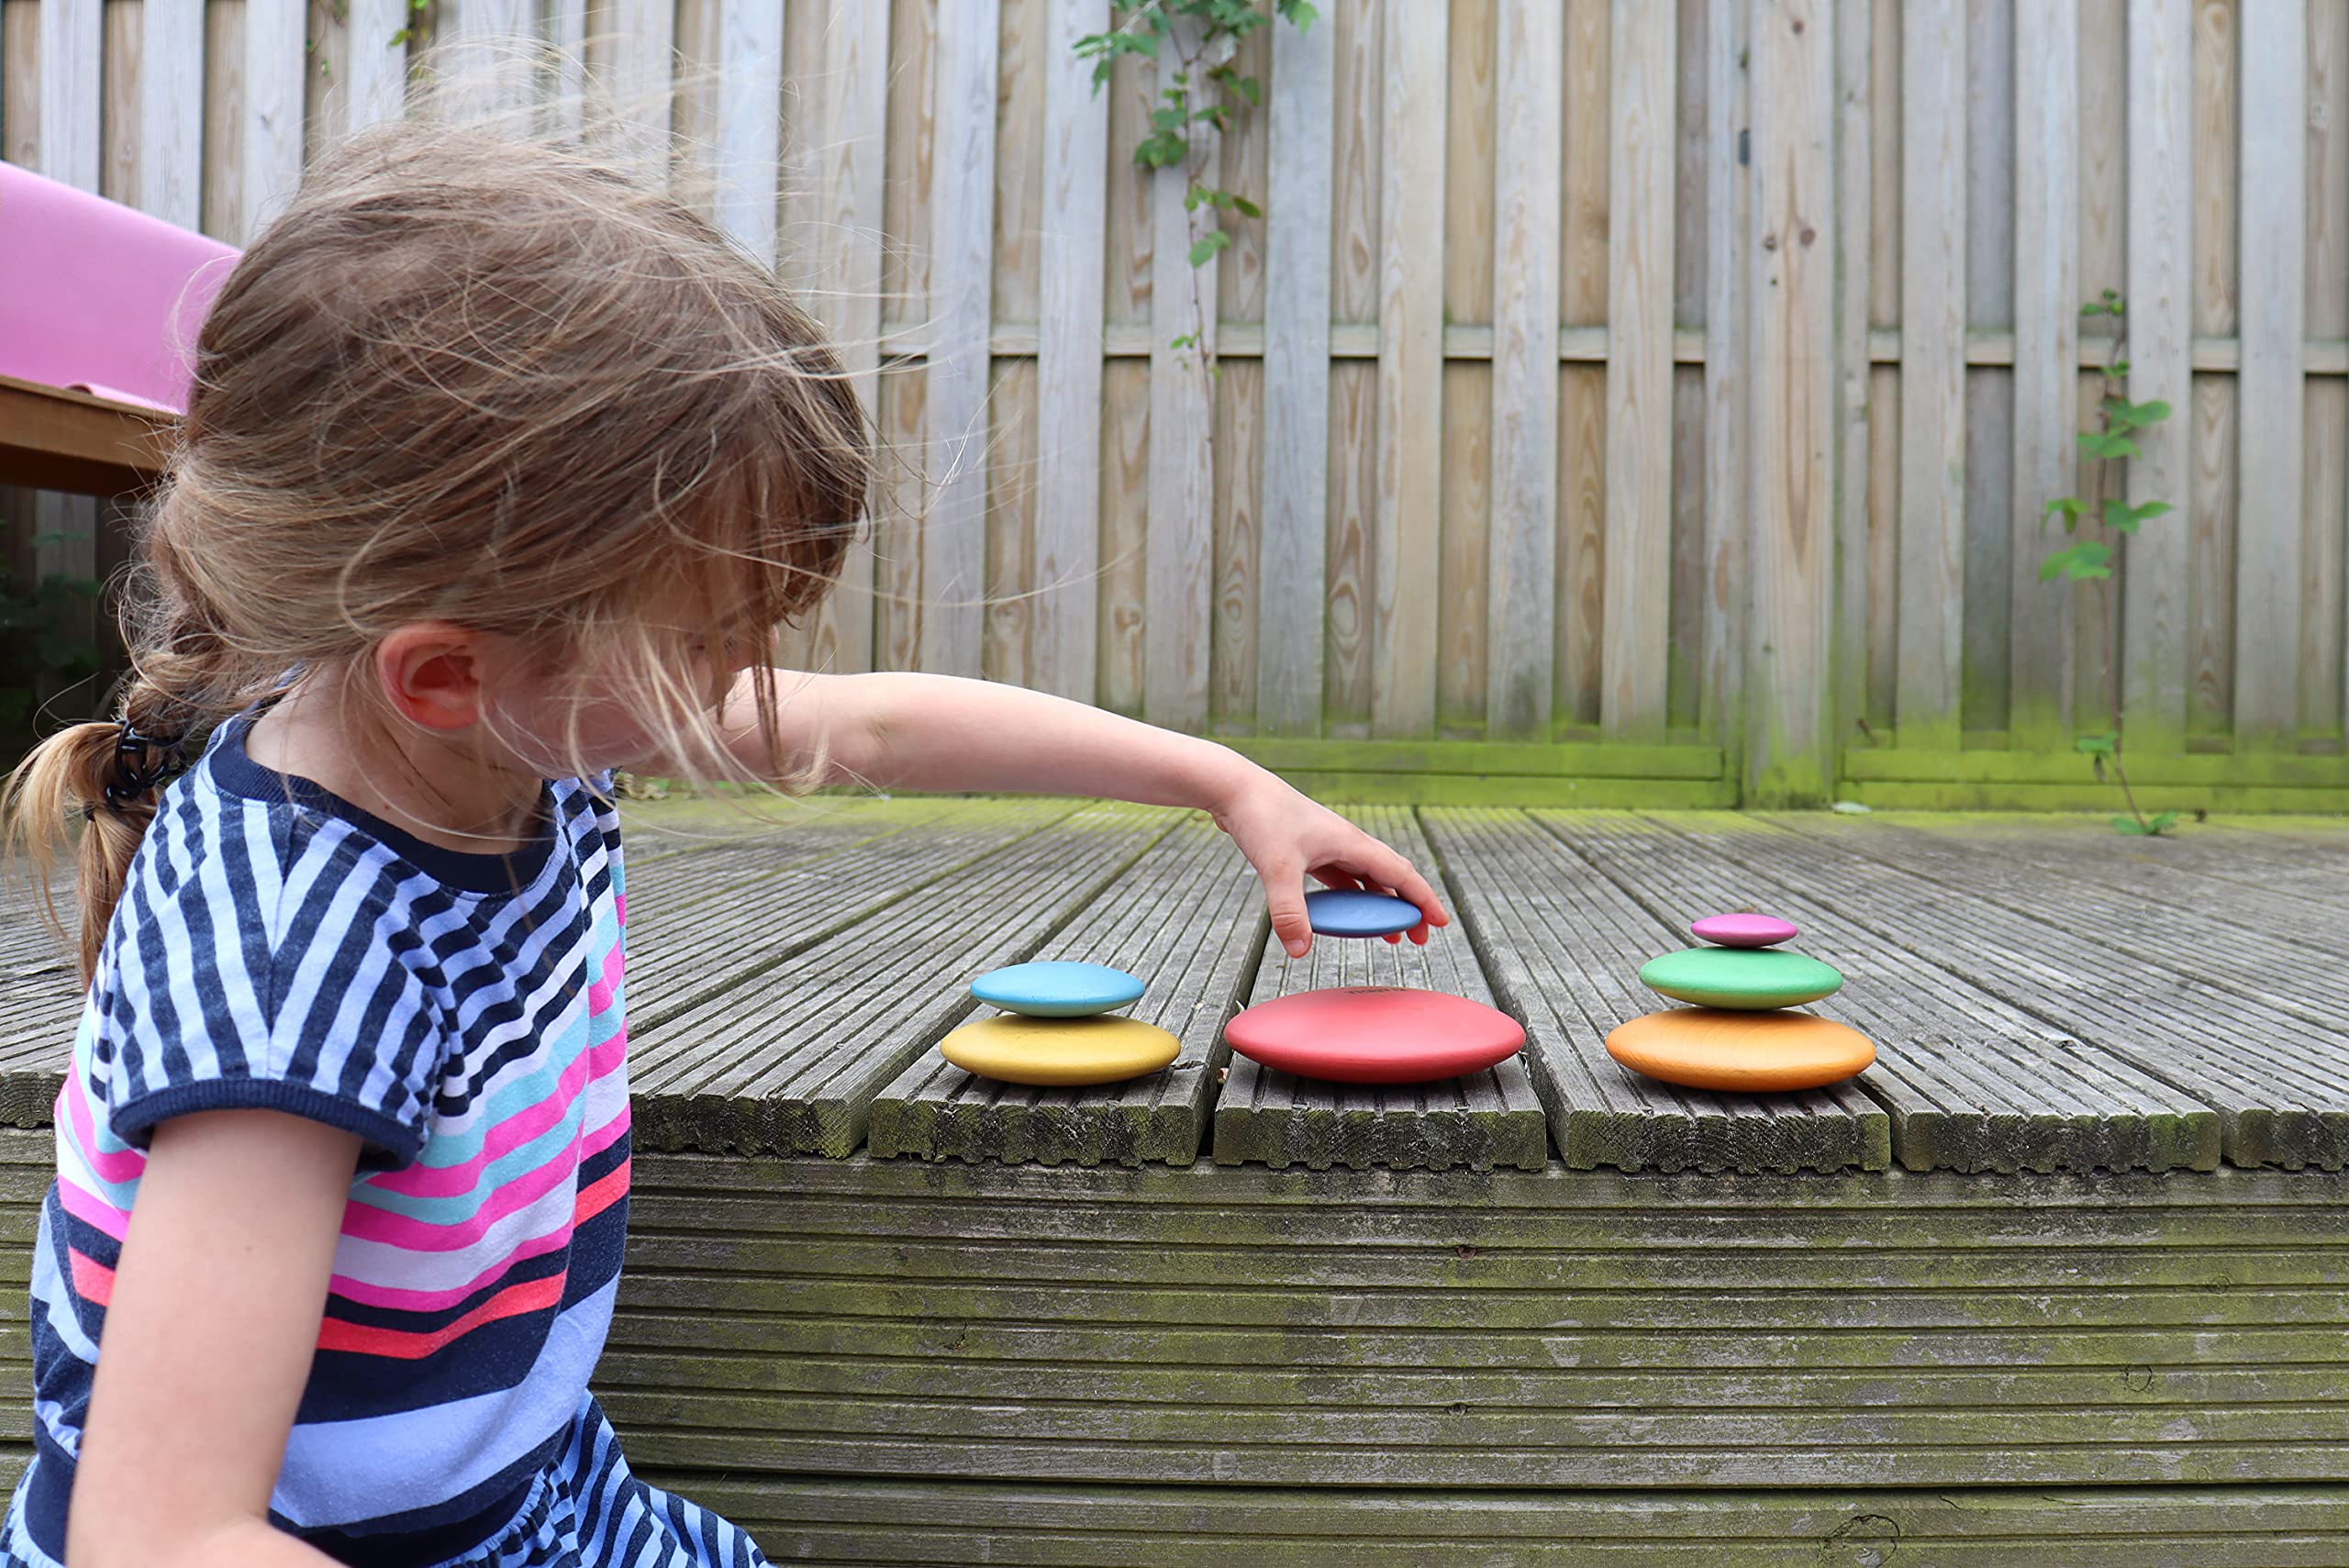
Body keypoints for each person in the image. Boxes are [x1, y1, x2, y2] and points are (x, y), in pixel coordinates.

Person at [0, 119, 1446, 1568]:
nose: (751, 674)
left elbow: (868, 729)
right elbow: (159, 1531)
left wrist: (1223, 783)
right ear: (445, 669)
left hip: (533, 1499)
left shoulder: (495, 734)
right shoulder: (296, 960)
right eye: (707, 638)